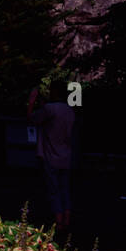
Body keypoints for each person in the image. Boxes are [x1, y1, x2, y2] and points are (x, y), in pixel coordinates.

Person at [27, 79, 76, 239]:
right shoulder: (69, 111)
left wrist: (32, 102)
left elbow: (32, 118)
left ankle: (59, 222)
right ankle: (67, 222)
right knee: (65, 190)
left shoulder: (49, 109)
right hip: (66, 156)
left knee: (54, 190)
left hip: (50, 156)